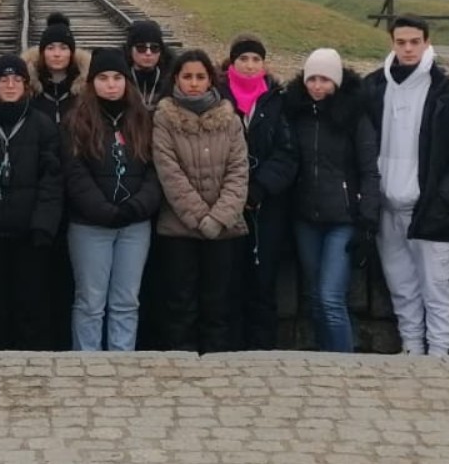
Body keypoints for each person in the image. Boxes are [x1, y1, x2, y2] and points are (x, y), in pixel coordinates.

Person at [365, 19, 449, 357]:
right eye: (401, 42)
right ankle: (412, 347)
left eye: (415, 41)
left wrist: (445, 197)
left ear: (427, 42)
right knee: (400, 283)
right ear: (392, 43)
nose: (408, 48)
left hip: (429, 204)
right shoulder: (374, 87)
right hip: (387, 203)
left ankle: (440, 352)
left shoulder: (448, 89)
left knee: (436, 285)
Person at [61, 47, 164, 351]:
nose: (111, 84)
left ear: (126, 81)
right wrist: (102, 210)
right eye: (103, 77)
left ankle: (122, 363)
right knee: (91, 301)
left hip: (134, 224)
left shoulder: (143, 120)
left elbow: (155, 171)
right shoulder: (76, 121)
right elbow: (75, 173)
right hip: (90, 225)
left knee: (126, 300)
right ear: (92, 82)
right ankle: (87, 362)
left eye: (117, 77)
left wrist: (136, 207)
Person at [0, 55, 65, 350]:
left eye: (16, 79)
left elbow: (52, 179)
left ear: (26, 85)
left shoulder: (42, 125)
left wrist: (44, 225)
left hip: (28, 234)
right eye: (3, 80)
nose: (10, 85)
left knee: (29, 306)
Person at [150, 49, 250, 353]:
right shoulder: (163, 119)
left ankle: (216, 360)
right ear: (176, 79)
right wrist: (199, 218)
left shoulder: (230, 120)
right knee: (181, 302)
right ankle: (181, 359)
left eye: (200, 77)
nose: (194, 83)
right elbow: (169, 172)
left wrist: (218, 217)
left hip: (223, 228)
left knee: (218, 301)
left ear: (210, 80)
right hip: (179, 228)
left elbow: (238, 170)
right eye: (187, 77)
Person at [282, 48, 378, 353]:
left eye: (324, 79)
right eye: (312, 79)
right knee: (314, 297)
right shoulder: (296, 112)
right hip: (305, 216)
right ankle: (326, 359)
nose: (317, 86)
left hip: (344, 217)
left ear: (336, 81)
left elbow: (369, 170)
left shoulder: (354, 115)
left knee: (330, 297)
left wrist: (368, 217)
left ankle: (342, 367)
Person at [222, 34, 297, 350]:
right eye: (244, 59)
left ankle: (261, 350)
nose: (250, 65)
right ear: (232, 62)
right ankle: (229, 346)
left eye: (256, 59)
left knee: (263, 282)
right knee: (227, 281)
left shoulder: (277, 99)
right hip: (226, 201)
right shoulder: (218, 96)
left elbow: (288, 152)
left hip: (266, 204)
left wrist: (261, 187)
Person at [27, 13, 89, 125]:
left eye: (63, 48)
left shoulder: (86, 87)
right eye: (50, 48)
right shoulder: (28, 86)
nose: (57, 54)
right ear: (42, 53)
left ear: (71, 53)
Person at [126, 20, 175, 109]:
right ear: (130, 49)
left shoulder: (172, 75)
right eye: (141, 48)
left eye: (154, 48)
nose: (148, 53)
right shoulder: (121, 74)